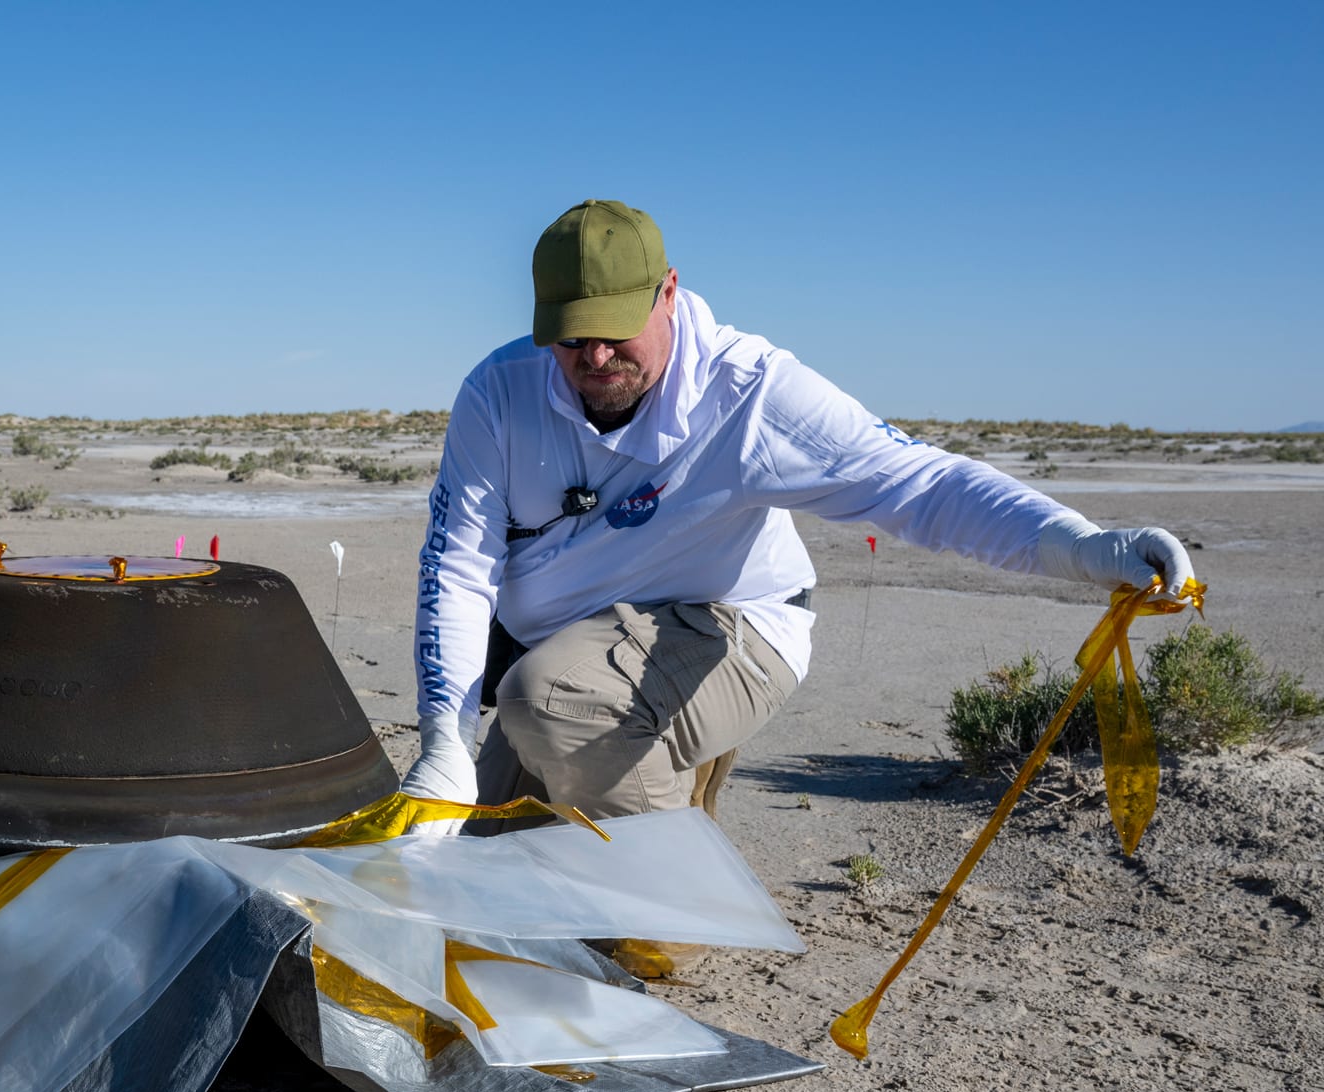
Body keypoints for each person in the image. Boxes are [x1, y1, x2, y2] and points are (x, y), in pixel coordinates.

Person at [403, 200, 1195, 823]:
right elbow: (460, 565)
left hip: (730, 625)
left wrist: (1084, 547)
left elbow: (922, 485)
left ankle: (680, 911)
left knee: (546, 704)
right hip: (572, 645)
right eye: (571, 337)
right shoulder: (497, 393)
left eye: (614, 331)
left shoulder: (752, 395)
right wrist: (443, 736)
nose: (594, 358)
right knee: (484, 847)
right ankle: (644, 784)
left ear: (668, 292)